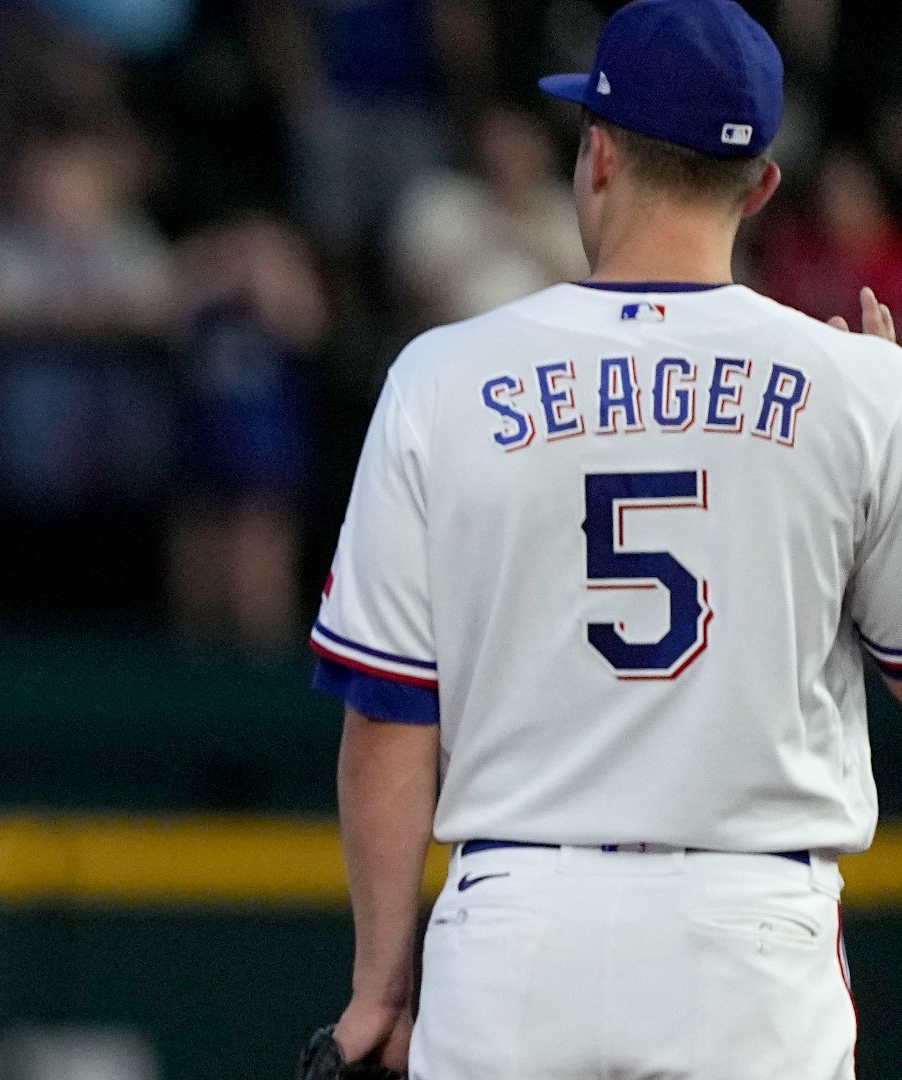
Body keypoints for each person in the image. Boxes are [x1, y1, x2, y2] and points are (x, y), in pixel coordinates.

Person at [312, 2, 886, 1076]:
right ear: (761, 183)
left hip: (518, 926)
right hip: (757, 925)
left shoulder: (443, 376)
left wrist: (380, 990)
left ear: (600, 154)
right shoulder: (862, 390)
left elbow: (389, 719)